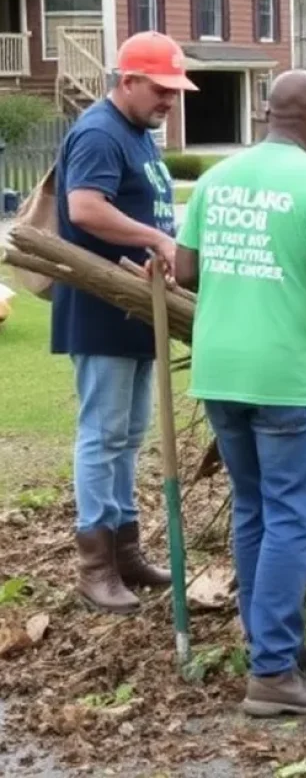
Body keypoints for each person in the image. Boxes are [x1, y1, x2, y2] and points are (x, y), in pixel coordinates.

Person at [176, 70, 306, 717]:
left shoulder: (217, 178)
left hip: (221, 370)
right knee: (290, 516)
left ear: (266, 114)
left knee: (254, 508)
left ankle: (267, 644)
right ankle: (274, 674)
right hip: (287, 374)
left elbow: (185, 270)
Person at [53, 31, 192, 615]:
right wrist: (157, 236)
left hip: (137, 305)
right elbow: (83, 208)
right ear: (127, 80)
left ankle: (125, 547)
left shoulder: (135, 134)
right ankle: (95, 566)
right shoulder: (98, 133)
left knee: (129, 435)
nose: (170, 101)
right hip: (102, 306)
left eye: (173, 91)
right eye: (160, 90)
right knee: (103, 433)